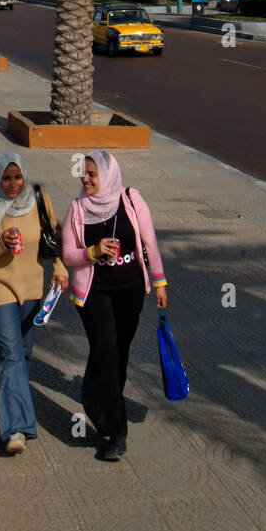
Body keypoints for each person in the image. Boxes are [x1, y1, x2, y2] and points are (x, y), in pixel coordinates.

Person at [61, 151, 167, 462]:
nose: (85, 179)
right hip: (94, 293)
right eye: (84, 173)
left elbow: (149, 244)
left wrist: (160, 283)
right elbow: (69, 254)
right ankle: (116, 431)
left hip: (130, 291)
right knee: (105, 346)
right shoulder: (77, 210)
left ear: (107, 176)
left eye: (92, 174)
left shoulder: (132, 201)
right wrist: (92, 252)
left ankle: (104, 402)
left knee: (119, 353)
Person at [0, 153, 67, 455]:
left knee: (23, 353)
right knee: (10, 354)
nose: (12, 184)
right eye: (6, 179)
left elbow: (54, 235)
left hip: (33, 290)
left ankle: (16, 407)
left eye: (17, 177)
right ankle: (16, 429)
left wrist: (60, 268)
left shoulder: (38, 198)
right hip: (1, 289)